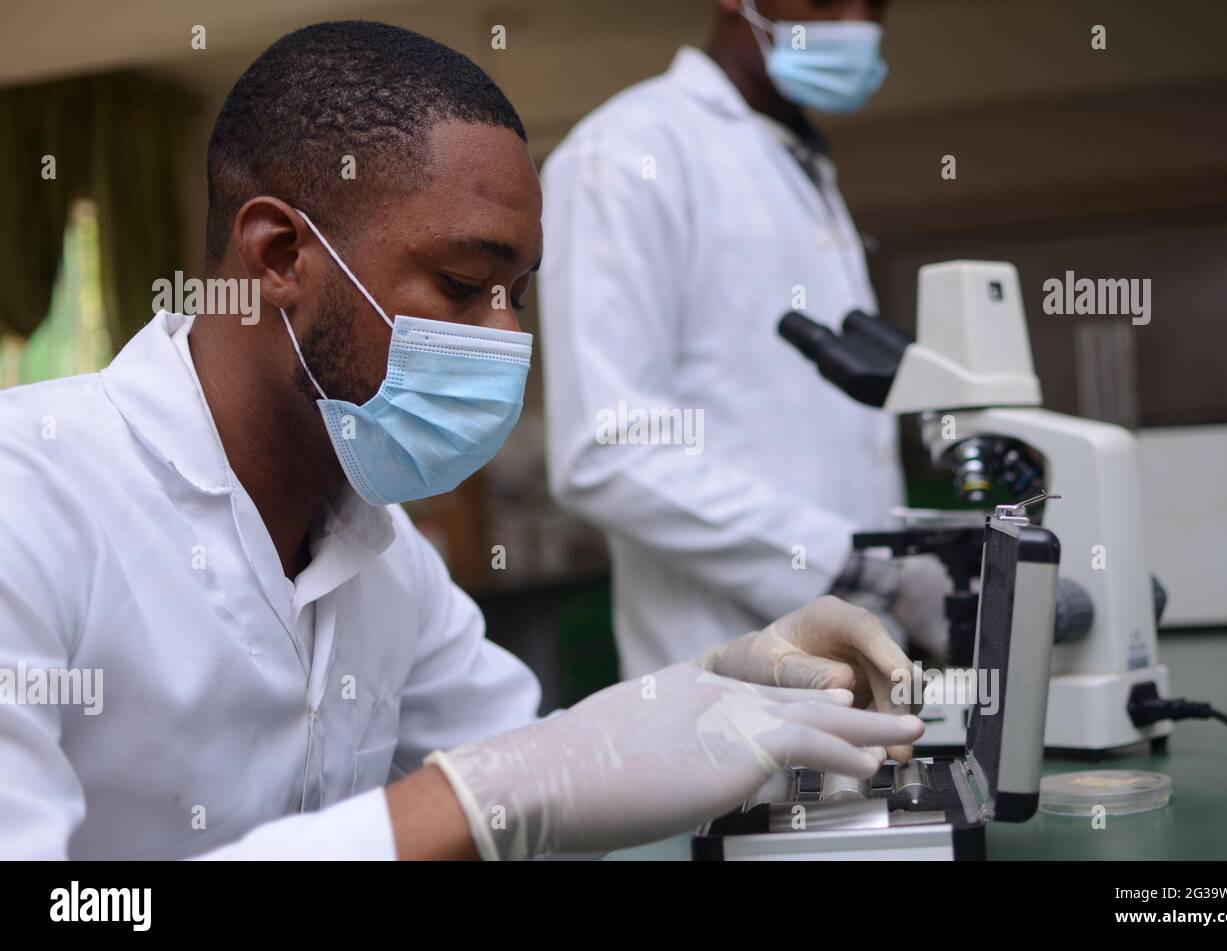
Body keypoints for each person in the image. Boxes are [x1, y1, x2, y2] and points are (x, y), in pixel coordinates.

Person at [0, 20, 921, 861]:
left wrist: (717, 690)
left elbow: (546, 755)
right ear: (280, 257)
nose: (506, 339)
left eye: (514, 292)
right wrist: (472, 801)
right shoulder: (31, 498)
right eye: (460, 281)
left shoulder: (381, 551)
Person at [540, 0, 952, 679]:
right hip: (721, 692)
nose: (854, 24)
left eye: (873, 4)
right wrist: (862, 571)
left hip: (853, 684)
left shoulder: (794, 159)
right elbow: (606, 451)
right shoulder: (625, 153)